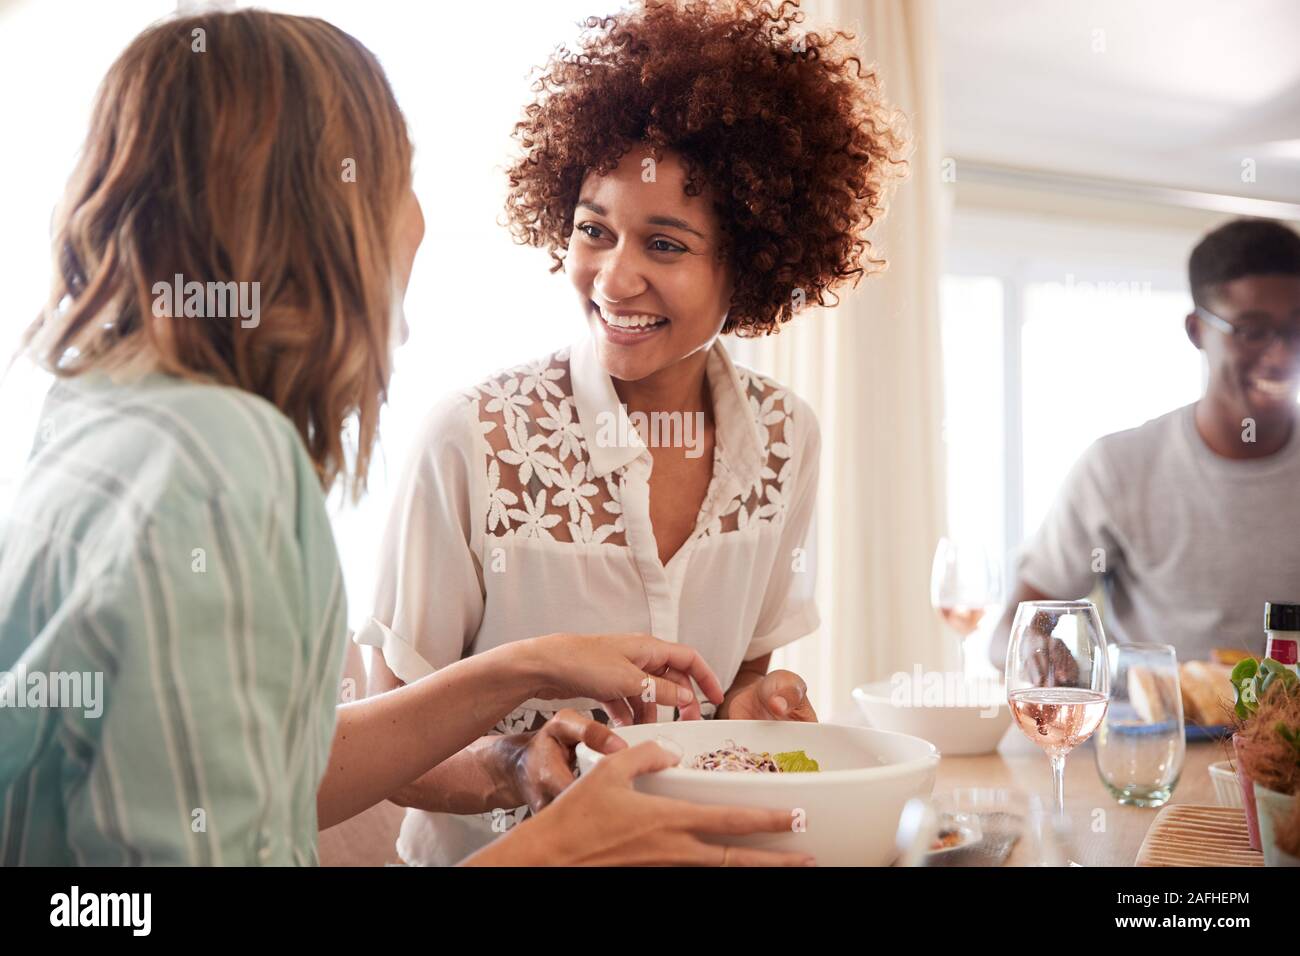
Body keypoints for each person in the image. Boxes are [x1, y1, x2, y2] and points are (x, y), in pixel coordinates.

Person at [0, 9, 812, 867]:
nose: (416, 215)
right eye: (394, 174)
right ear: (313, 210)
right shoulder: (223, 475)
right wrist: (557, 851)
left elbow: (275, 770)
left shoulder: (103, 410)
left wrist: (528, 669)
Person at [358, 0, 908, 864]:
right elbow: (385, 752)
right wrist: (515, 762)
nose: (615, 278)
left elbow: (731, 695)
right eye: (593, 230)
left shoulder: (784, 439)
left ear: (752, 261)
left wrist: (748, 713)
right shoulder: (472, 437)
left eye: (665, 244)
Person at [990, 218, 1300, 671]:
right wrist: (1037, 654)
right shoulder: (1118, 467)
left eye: (1296, 327)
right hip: (1156, 736)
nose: (1282, 355)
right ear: (1197, 332)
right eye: (1252, 331)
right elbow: (1010, 632)